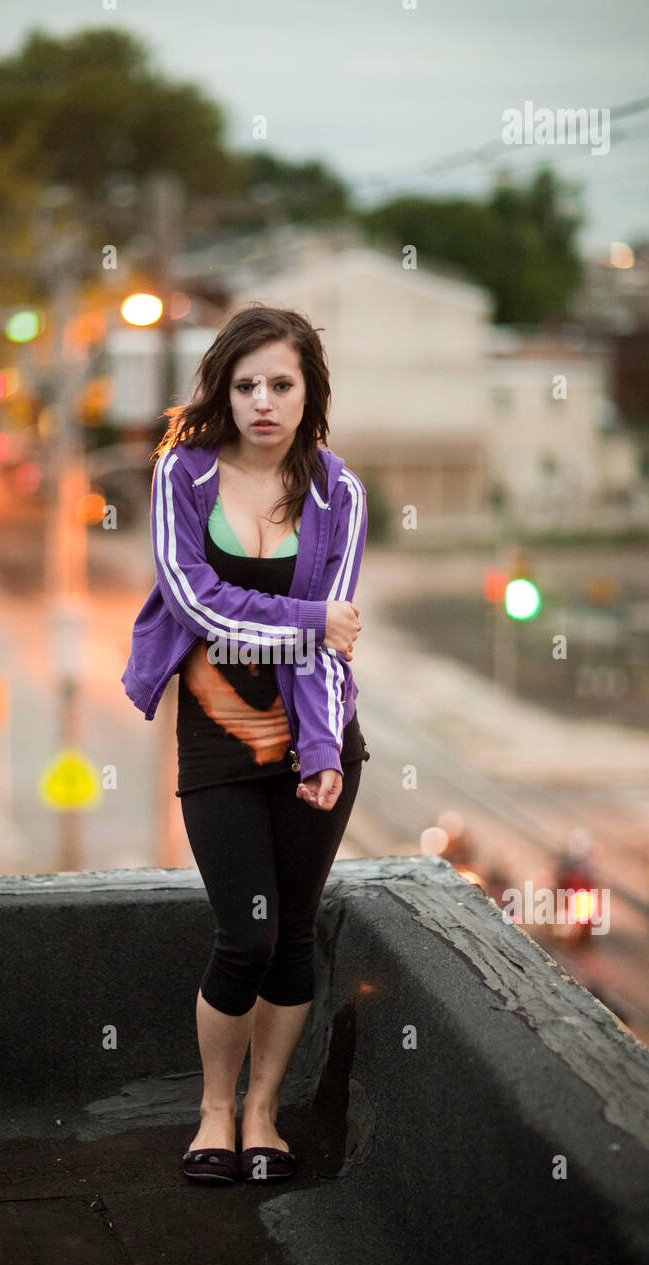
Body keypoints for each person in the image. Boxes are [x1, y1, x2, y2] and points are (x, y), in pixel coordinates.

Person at [121, 305, 370, 1183]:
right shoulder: (181, 478)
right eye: (246, 384)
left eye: (282, 384)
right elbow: (195, 604)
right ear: (224, 392)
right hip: (219, 740)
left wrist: (328, 752)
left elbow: (333, 652)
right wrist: (307, 619)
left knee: (294, 934)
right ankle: (213, 1109)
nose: (263, 400)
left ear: (309, 393)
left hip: (314, 735)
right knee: (245, 935)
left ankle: (263, 1112)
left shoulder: (340, 494)